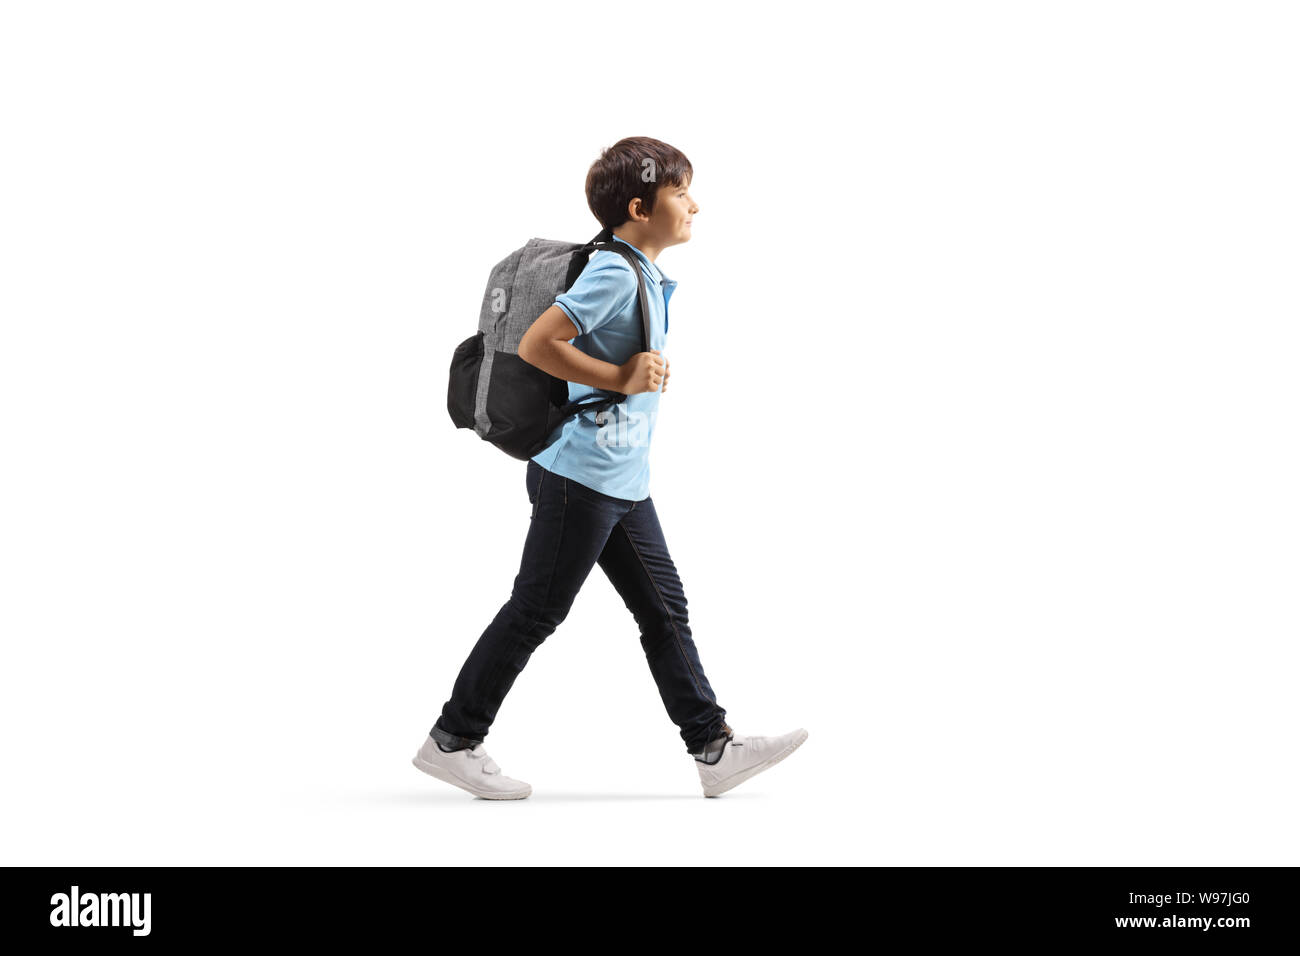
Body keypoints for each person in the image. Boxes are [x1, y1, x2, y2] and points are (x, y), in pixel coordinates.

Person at [413, 137, 807, 799]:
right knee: (537, 611)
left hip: (618, 478)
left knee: (664, 610)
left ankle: (713, 748)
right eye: (680, 192)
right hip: (582, 476)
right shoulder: (616, 273)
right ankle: (453, 739)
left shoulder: (638, 272)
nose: (694, 205)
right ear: (636, 208)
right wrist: (621, 374)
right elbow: (542, 345)